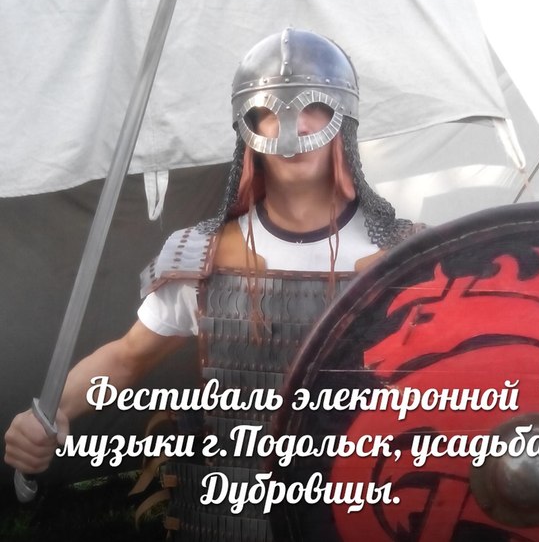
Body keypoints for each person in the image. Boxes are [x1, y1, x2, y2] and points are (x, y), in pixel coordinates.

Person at [4, 28, 423, 540]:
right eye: (269, 111)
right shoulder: (203, 255)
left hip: (366, 512)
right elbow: (126, 358)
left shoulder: (409, 257)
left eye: (315, 106)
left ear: (345, 121)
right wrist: (52, 413)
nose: (292, 127)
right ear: (248, 128)